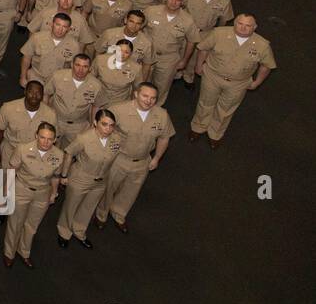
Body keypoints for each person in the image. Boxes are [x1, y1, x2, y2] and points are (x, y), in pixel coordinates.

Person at [189, 14, 276, 148]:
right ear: (234, 23)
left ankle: (215, 133)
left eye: (248, 25)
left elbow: (267, 65)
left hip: (238, 83)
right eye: (240, 23)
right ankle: (198, 127)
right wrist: (198, 65)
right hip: (213, 76)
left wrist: (257, 82)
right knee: (205, 102)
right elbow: (204, 48)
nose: (243, 28)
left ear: (255, 27)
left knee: (226, 110)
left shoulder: (262, 45)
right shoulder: (219, 33)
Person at [97, 82, 175, 232]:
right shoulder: (118, 110)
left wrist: (156, 158)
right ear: (136, 94)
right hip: (119, 158)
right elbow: (101, 132)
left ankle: (119, 214)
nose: (148, 101)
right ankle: (101, 214)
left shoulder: (161, 115)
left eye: (153, 98)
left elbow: (164, 137)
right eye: (145, 96)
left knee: (131, 191)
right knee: (108, 188)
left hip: (142, 161)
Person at [56, 110, 121, 249]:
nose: (108, 129)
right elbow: (69, 153)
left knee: (88, 207)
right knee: (71, 206)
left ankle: (79, 230)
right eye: (104, 124)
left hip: (101, 181)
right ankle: (64, 231)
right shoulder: (83, 138)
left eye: (111, 125)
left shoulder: (116, 139)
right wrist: (64, 175)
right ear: (95, 123)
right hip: (81, 178)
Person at [2, 123, 62, 268]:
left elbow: (55, 176)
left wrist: (54, 193)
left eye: (49, 139)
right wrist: (6, 190)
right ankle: (9, 252)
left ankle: (24, 251)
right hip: (22, 189)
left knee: (32, 225)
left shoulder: (59, 155)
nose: (45, 142)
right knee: (16, 223)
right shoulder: (22, 149)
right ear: (36, 136)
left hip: (42, 193)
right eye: (42, 137)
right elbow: (12, 170)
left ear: (54, 140)